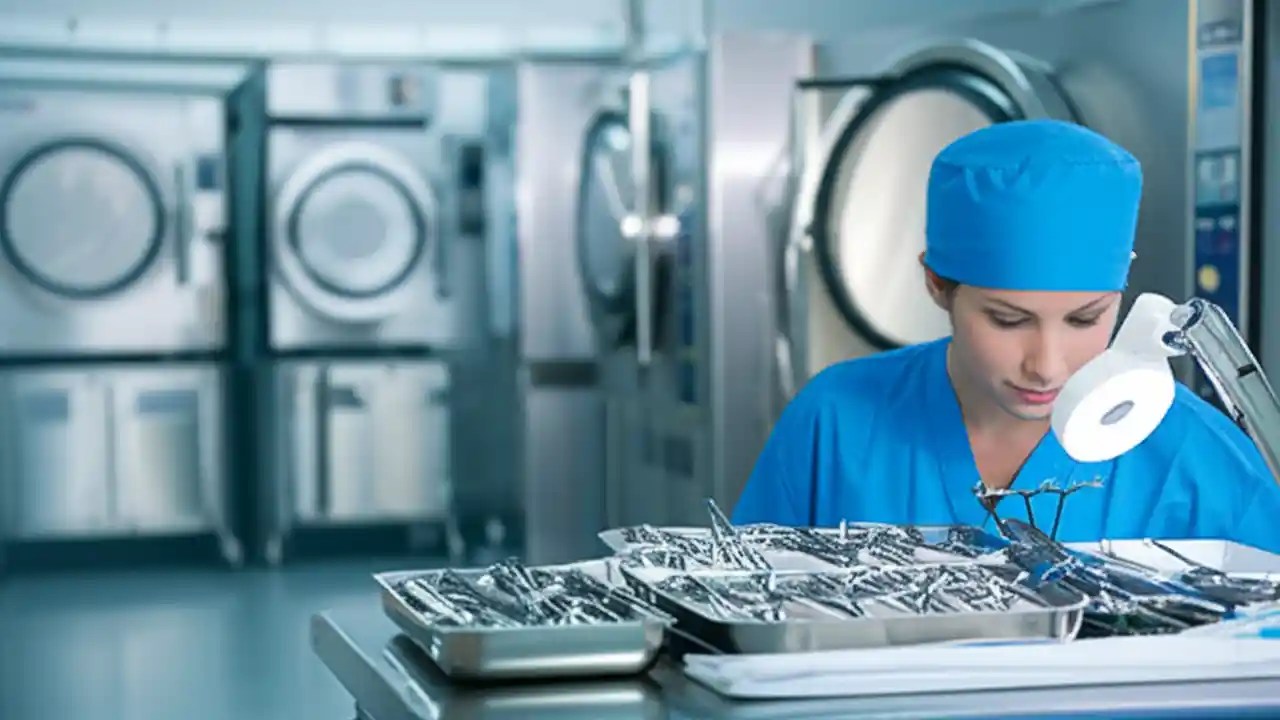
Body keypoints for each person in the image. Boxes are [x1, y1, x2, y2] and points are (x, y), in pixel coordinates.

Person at [733, 119, 1280, 553]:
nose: (1047, 365)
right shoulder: (836, 423)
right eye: (1008, 320)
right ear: (938, 284)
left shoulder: (1193, 455)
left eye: (1084, 319)